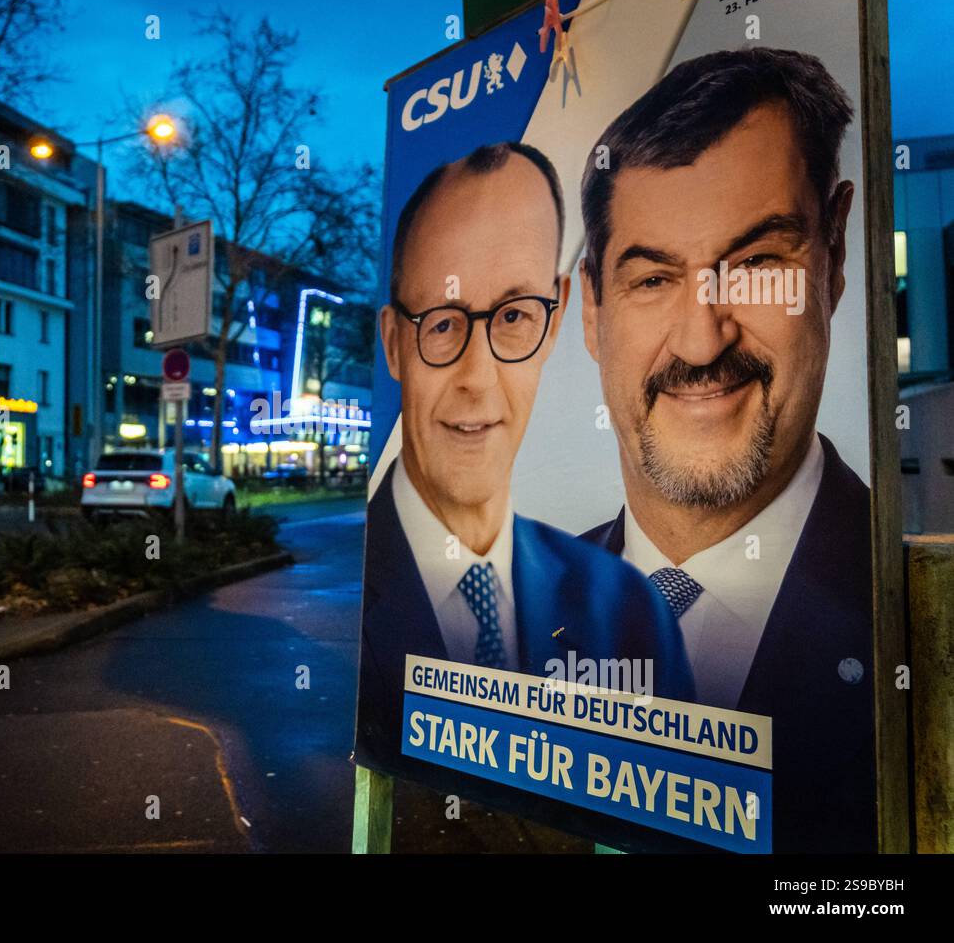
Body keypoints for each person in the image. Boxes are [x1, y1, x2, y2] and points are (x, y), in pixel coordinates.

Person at [576, 48, 873, 852]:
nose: (702, 341)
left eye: (755, 264)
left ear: (835, 255)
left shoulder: (915, 620)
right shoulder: (512, 606)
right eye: (652, 280)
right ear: (591, 313)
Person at [356, 141, 692, 772]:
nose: (477, 378)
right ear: (394, 343)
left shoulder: (627, 608)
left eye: (513, 315)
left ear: (556, 318)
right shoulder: (340, 594)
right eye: (443, 322)